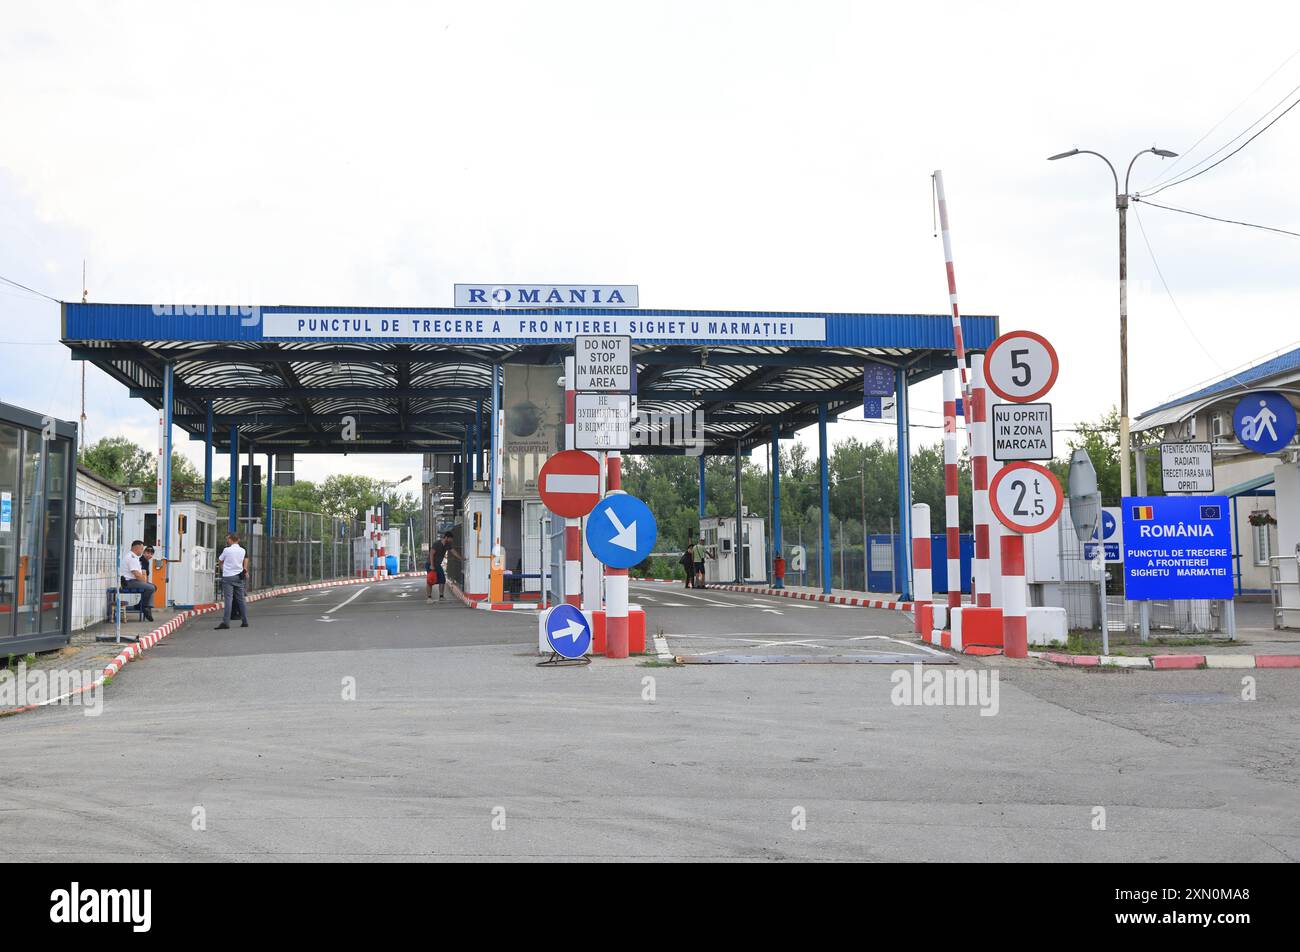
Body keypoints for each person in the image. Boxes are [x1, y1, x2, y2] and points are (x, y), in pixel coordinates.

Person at [215, 532, 249, 630]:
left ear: (230, 540)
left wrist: (223, 568)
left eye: (228, 539)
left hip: (228, 577)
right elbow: (243, 561)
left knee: (228, 599)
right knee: (241, 599)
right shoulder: (242, 550)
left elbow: (220, 560)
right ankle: (245, 621)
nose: (227, 540)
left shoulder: (226, 550)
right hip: (239, 576)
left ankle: (226, 622)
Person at [120, 539, 156, 623]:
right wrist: (144, 579)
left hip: (133, 581)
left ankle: (144, 606)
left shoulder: (133, 557)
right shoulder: (131, 558)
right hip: (129, 582)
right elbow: (136, 574)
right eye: (141, 549)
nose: (142, 551)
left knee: (152, 587)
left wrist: (143, 578)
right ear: (137, 548)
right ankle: (144, 606)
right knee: (151, 588)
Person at [426, 531, 463, 601]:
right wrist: (432, 565)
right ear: (446, 537)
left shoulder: (447, 544)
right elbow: (431, 554)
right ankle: (429, 597)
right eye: (450, 539)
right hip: (430, 564)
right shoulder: (437, 543)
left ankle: (441, 596)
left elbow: (453, 552)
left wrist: (461, 558)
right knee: (430, 580)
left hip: (438, 565)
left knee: (442, 579)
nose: (451, 540)